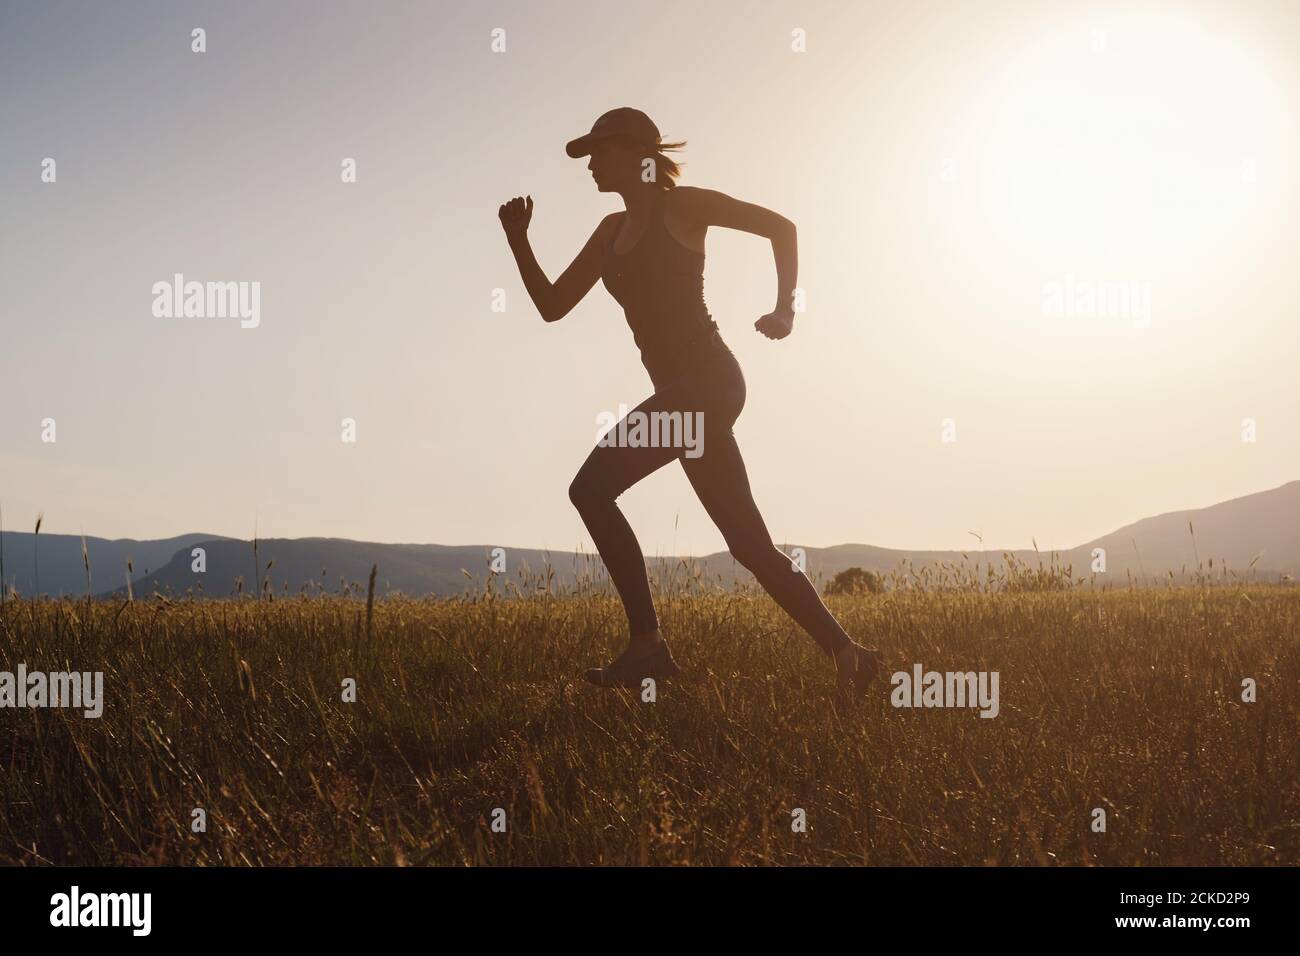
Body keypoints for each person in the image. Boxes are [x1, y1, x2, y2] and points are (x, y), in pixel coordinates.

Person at [499, 107, 881, 700]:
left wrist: (786, 309)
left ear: (634, 153)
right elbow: (552, 305)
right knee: (749, 545)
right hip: (683, 399)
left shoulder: (684, 206)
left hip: (708, 383)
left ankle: (647, 648)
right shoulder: (607, 234)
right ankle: (850, 654)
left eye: (599, 153)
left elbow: (782, 227)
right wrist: (519, 242)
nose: (592, 165)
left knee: (590, 490)